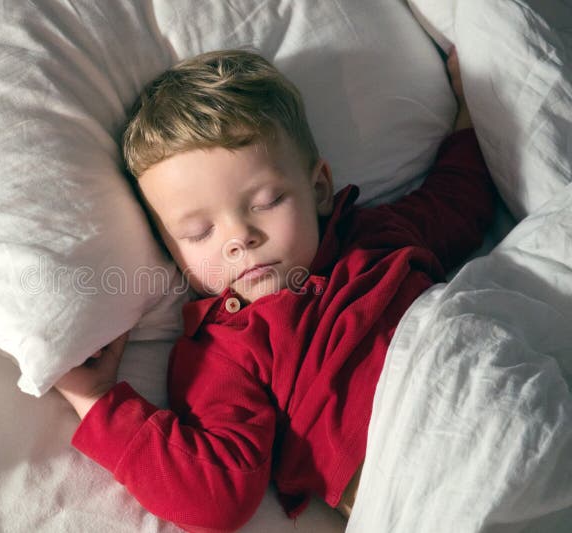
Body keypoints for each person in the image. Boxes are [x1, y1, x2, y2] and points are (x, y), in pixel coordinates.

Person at [55, 48, 493, 531]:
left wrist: (471, 107)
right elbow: (217, 494)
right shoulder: (225, 352)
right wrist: (96, 398)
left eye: (266, 202)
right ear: (172, 252)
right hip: (423, 480)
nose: (239, 238)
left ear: (319, 189)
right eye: (200, 233)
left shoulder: (374, 236)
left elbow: (461, 199)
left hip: (482, 374)